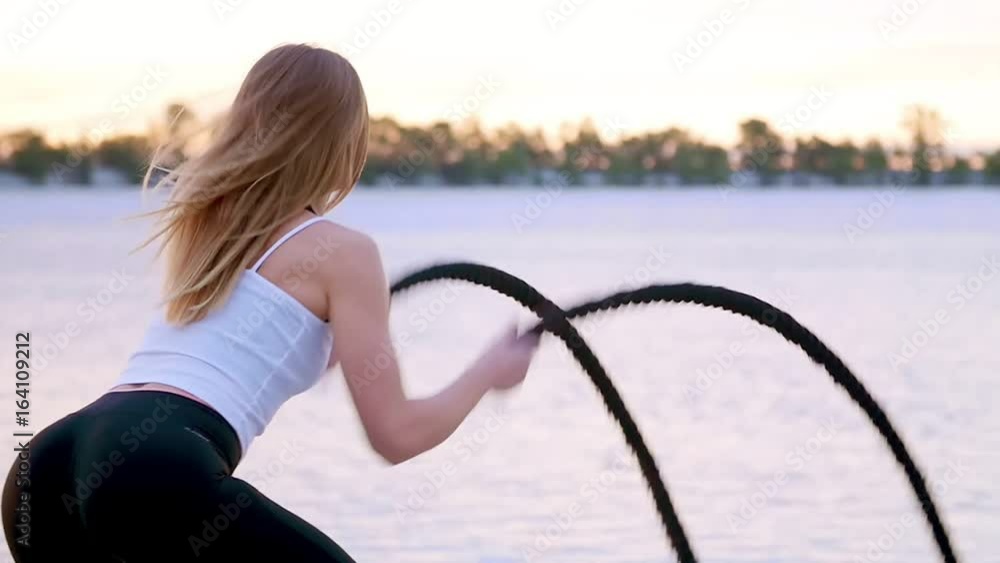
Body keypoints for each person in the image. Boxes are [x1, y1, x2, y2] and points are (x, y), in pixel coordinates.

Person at [1, 43, 540, 562]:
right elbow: (396, 435)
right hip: (153, 463)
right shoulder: (345, 252)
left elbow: (240, 343)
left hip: (47, 469)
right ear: (345, 145)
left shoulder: (208, 227)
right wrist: (488, 372)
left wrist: (332, 344)